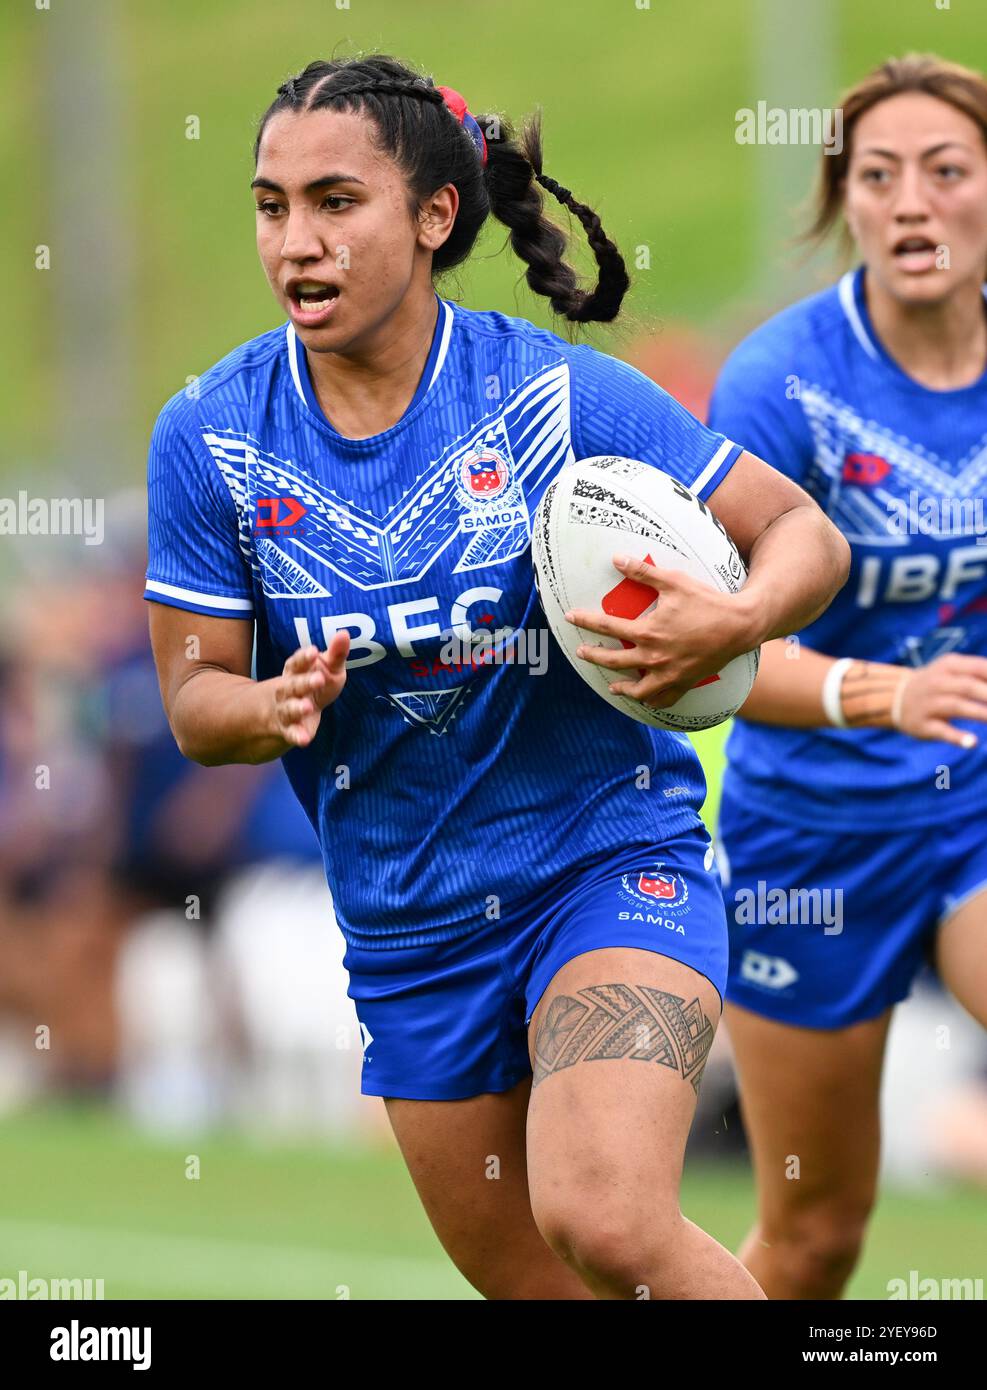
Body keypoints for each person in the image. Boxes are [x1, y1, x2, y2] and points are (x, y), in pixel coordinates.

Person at [145, 53, 847, 1299]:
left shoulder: (551, 397)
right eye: (270, 205)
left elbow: (807, 535)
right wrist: (266, 707)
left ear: (432, 216)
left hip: (604, 865)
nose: (295, 241)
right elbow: (194, 700)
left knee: (611, 1221)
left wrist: (730, 618)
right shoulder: (209, 439)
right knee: (547, 1290)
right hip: (408, 927)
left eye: (334, 202)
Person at [708, 53, 987, 1300]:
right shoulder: (782, 385)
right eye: (879, 177)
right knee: (816, 1239)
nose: (912, 202)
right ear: (846, 202)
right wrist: (877, 696)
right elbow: (715, 657)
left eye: (946, 171)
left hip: (971, 805)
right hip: (808, 838)